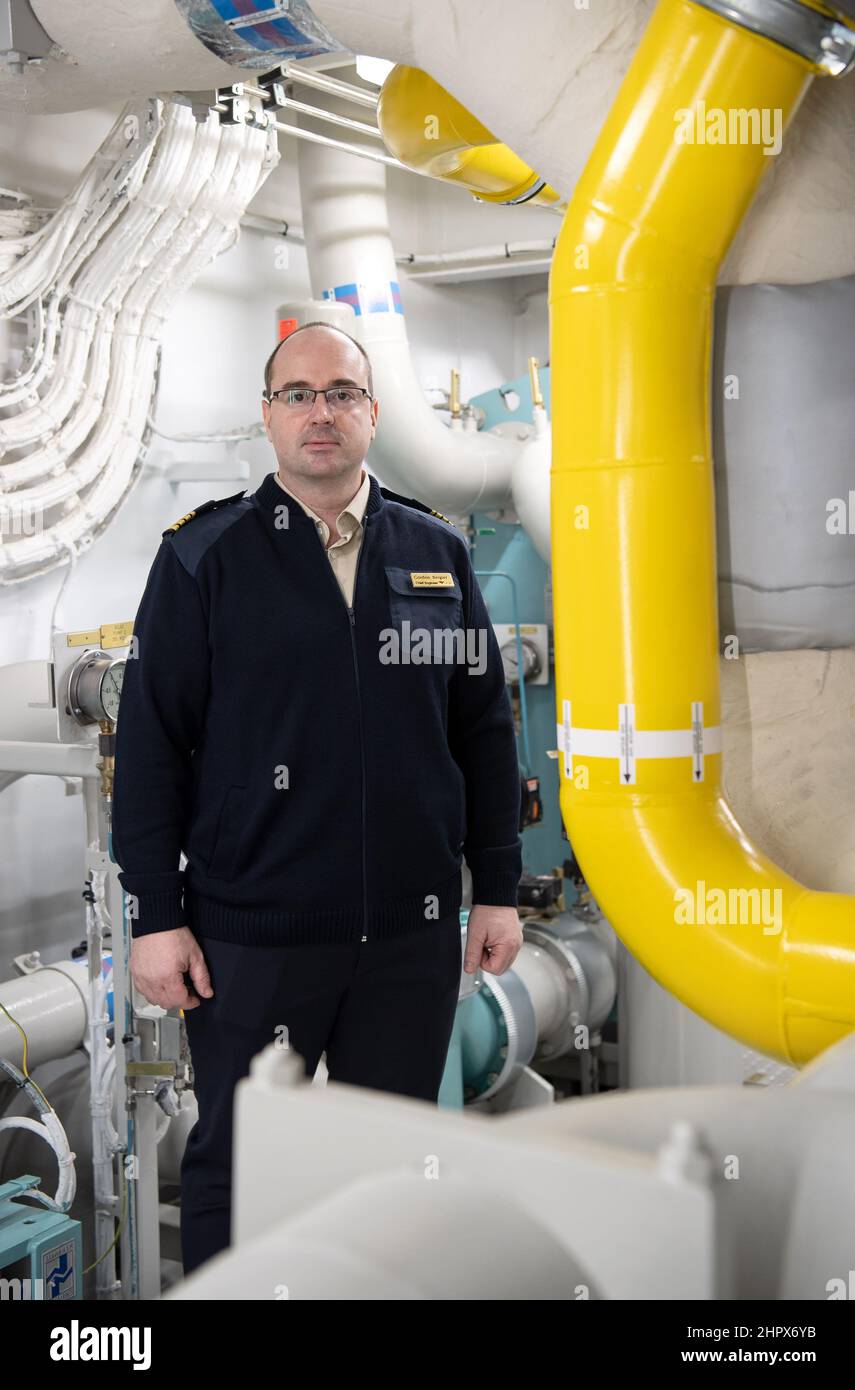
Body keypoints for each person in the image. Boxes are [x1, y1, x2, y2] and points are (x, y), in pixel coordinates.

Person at [111, 321, 524, 1275]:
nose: (320, 413)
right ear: (268, 417)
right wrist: (155, 917)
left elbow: (483, 734)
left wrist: (495, 884)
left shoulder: (437, 554)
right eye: (297, 395)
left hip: (409, 932)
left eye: (341, 392)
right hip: (255, 933)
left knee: (396, 1158)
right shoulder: (203, 559)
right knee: (240, 1161)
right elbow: (151, 752)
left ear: (374, 412)